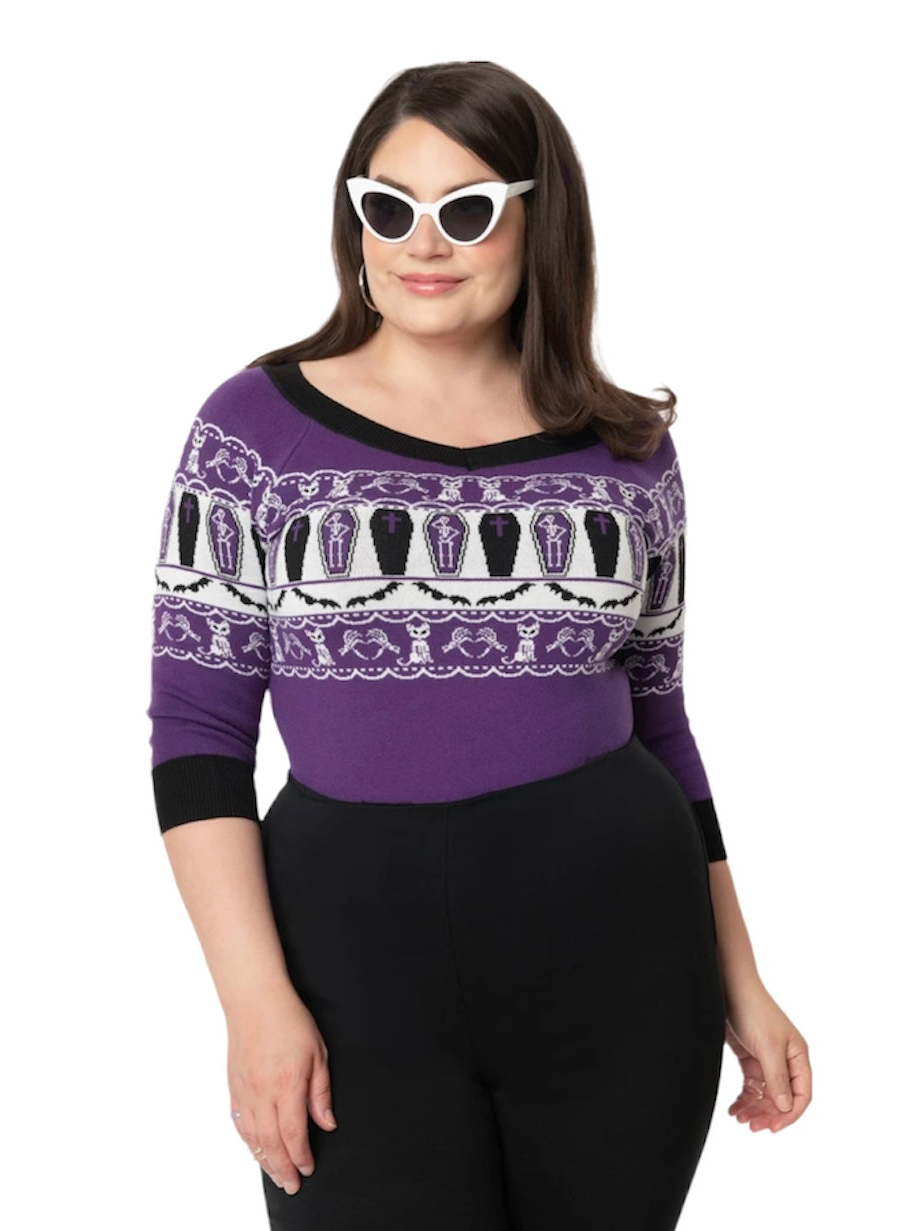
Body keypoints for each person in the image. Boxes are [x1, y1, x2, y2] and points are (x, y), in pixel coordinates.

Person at [146, 59, 811, 1231]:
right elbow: (198, 737)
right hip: (349, 964)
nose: (423, 242)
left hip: (622, 959)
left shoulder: (625, 450)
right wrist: (253, 1003)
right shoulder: (250, 433)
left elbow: (663, 722)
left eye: (466, 210)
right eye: (388, 205)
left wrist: (740, 980)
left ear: (537, 220)